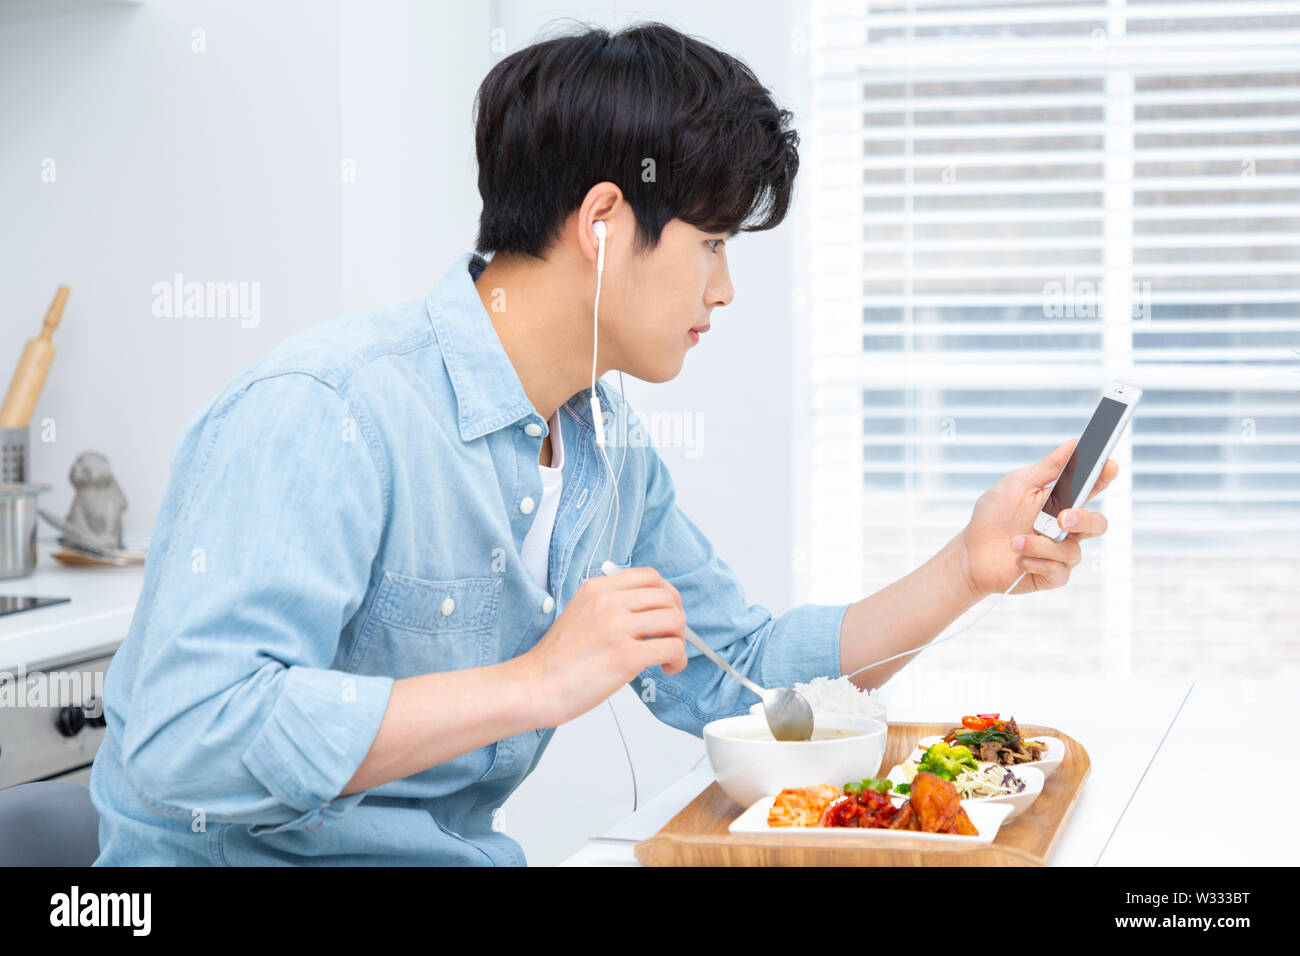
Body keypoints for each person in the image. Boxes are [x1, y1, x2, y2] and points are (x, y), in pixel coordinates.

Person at [90, 21, 1115, 866]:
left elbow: (737, 670)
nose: (724, 288)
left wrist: (966, 568)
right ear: (603, 220)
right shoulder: (327, 408)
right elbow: (188, 734)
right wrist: (536, 680)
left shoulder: (600, 442)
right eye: (711, 243)